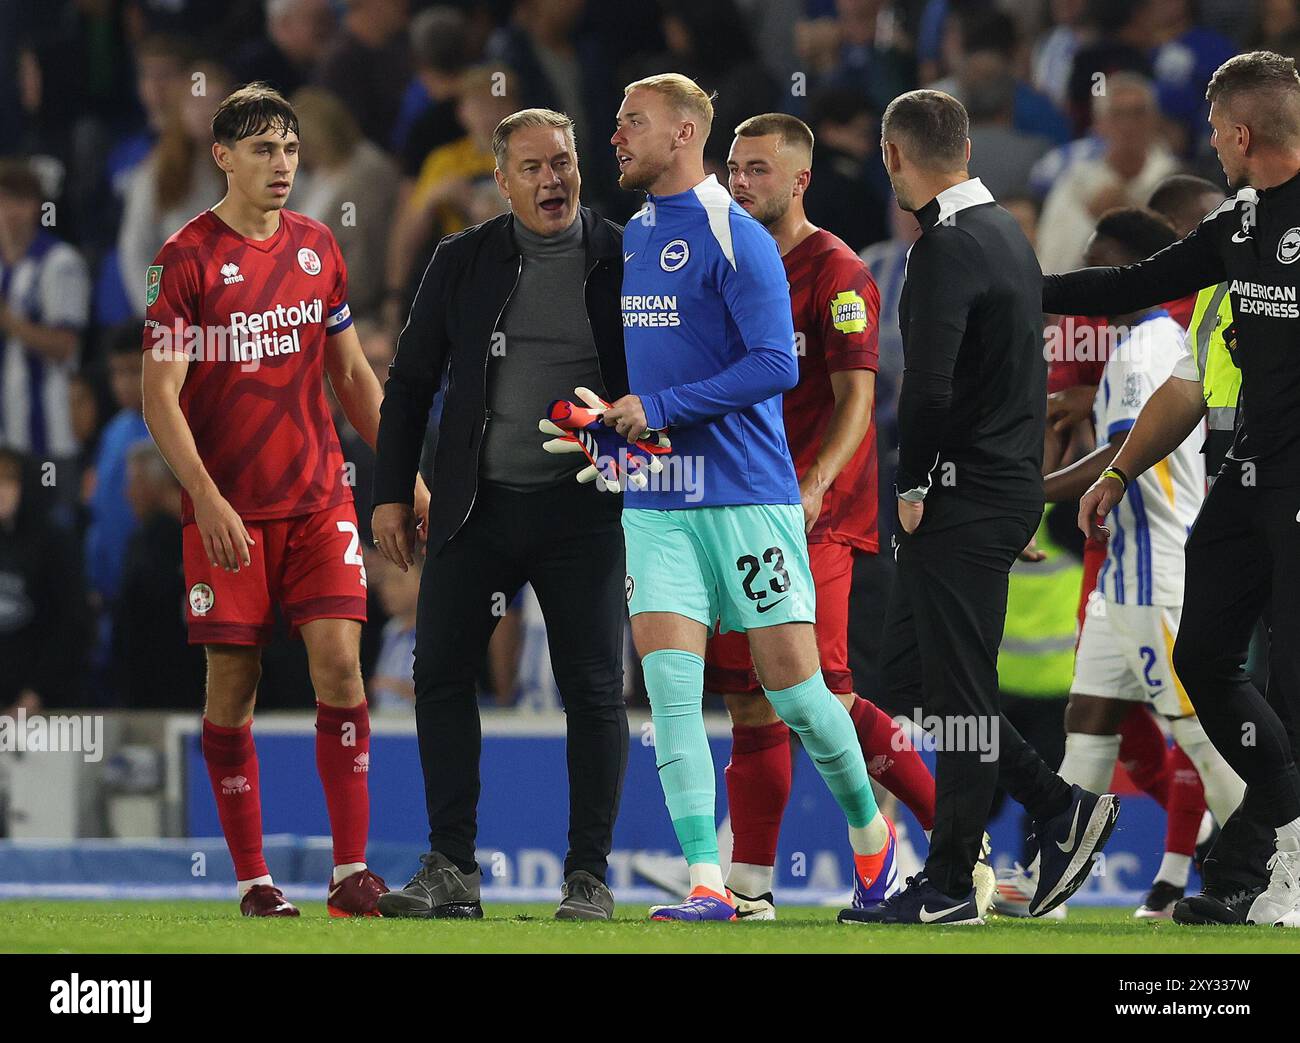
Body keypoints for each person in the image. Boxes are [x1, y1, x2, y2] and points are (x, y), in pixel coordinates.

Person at [606, 73, 896, 923]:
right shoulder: (634, 234)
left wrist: (656, 409)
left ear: (685, 131)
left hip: (746, 497)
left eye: (633, 121)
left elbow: (777, 364)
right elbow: (659, 370)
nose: (616, 135)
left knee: (799, 694)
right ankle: (707, 881)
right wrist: (611, 428)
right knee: (670, 696)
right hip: (658, 500)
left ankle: (870, 833)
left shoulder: (738, 236)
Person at [141, 83, 423, 918]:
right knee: (234, 683)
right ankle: (254, 879)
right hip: (225, 510)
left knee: (340, 666)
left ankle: (348, 874)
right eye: (263, 149)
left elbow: (350, 375)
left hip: (317, 498)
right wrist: (205, 495)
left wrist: (404, 475)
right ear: (223, 156)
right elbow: (161, 395)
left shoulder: (317, 249)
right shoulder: (183, 259)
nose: (282, 165)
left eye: (291, 149)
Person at [859, 89, 1119, 926]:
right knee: (905, 679)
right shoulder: (1009, 232)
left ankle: (947, 886)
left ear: (897, 158)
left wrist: (912, 484)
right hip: (992, 491)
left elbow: (927, 389)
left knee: (960, 693)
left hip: (957, 497)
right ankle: (1055, 805)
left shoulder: (944, 246)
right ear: (964, 147)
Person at [1054, 51, 1300, 928]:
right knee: (1203, 661)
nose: (1205, 142)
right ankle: (1282, 839)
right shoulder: (1236, 229)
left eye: (1211, 128)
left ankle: (1270, 868)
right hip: (1239, 477)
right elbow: (1134, 284)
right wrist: (1020, 289)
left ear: (1239, 133)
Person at [371, 107, 631, 922]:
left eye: (563, 161)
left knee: (591, 688)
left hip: (584, 512)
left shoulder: (625, 255)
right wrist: (389, 489)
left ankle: (587, 876)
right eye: (533, 167)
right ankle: (453, 866)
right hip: (474, 507)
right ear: (501, 180)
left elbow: (663, 382)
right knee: (438, 674)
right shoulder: (461, 259)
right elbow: (410, 383)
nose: (552, 179)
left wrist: (637, 453)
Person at [714, 111, 975, 919]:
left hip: (814, 515)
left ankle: (958, 839)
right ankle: (750, 887)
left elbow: (863, 395)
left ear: (800, 181)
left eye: (759, 169)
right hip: (734, 508)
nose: (740, 182)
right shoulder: (722, 268)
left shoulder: (836, 271)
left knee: (819, 690)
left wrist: (817, 480)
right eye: (734, 167)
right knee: (751, 698)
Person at [1027, 208, 1245, 919]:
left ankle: (1276, 864)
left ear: (1127, 265)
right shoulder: (1136, 346)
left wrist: (1027, 496)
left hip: (1155, 569)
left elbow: (1119, 456)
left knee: (1196, 733)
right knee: (1087, 720)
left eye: (1100, 262)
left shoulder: (1150, 347)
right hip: (1122, 573)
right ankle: (1047, 890)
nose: (1092, 280)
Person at [0, 160, 90, 474]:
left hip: (52, 436)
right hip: (8, 434)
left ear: (38, 207)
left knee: (51, 520)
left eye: (20, 201)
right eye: (3, 200)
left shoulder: (59, 263)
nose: (10, 212)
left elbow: (65, 346)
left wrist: (9, 321)